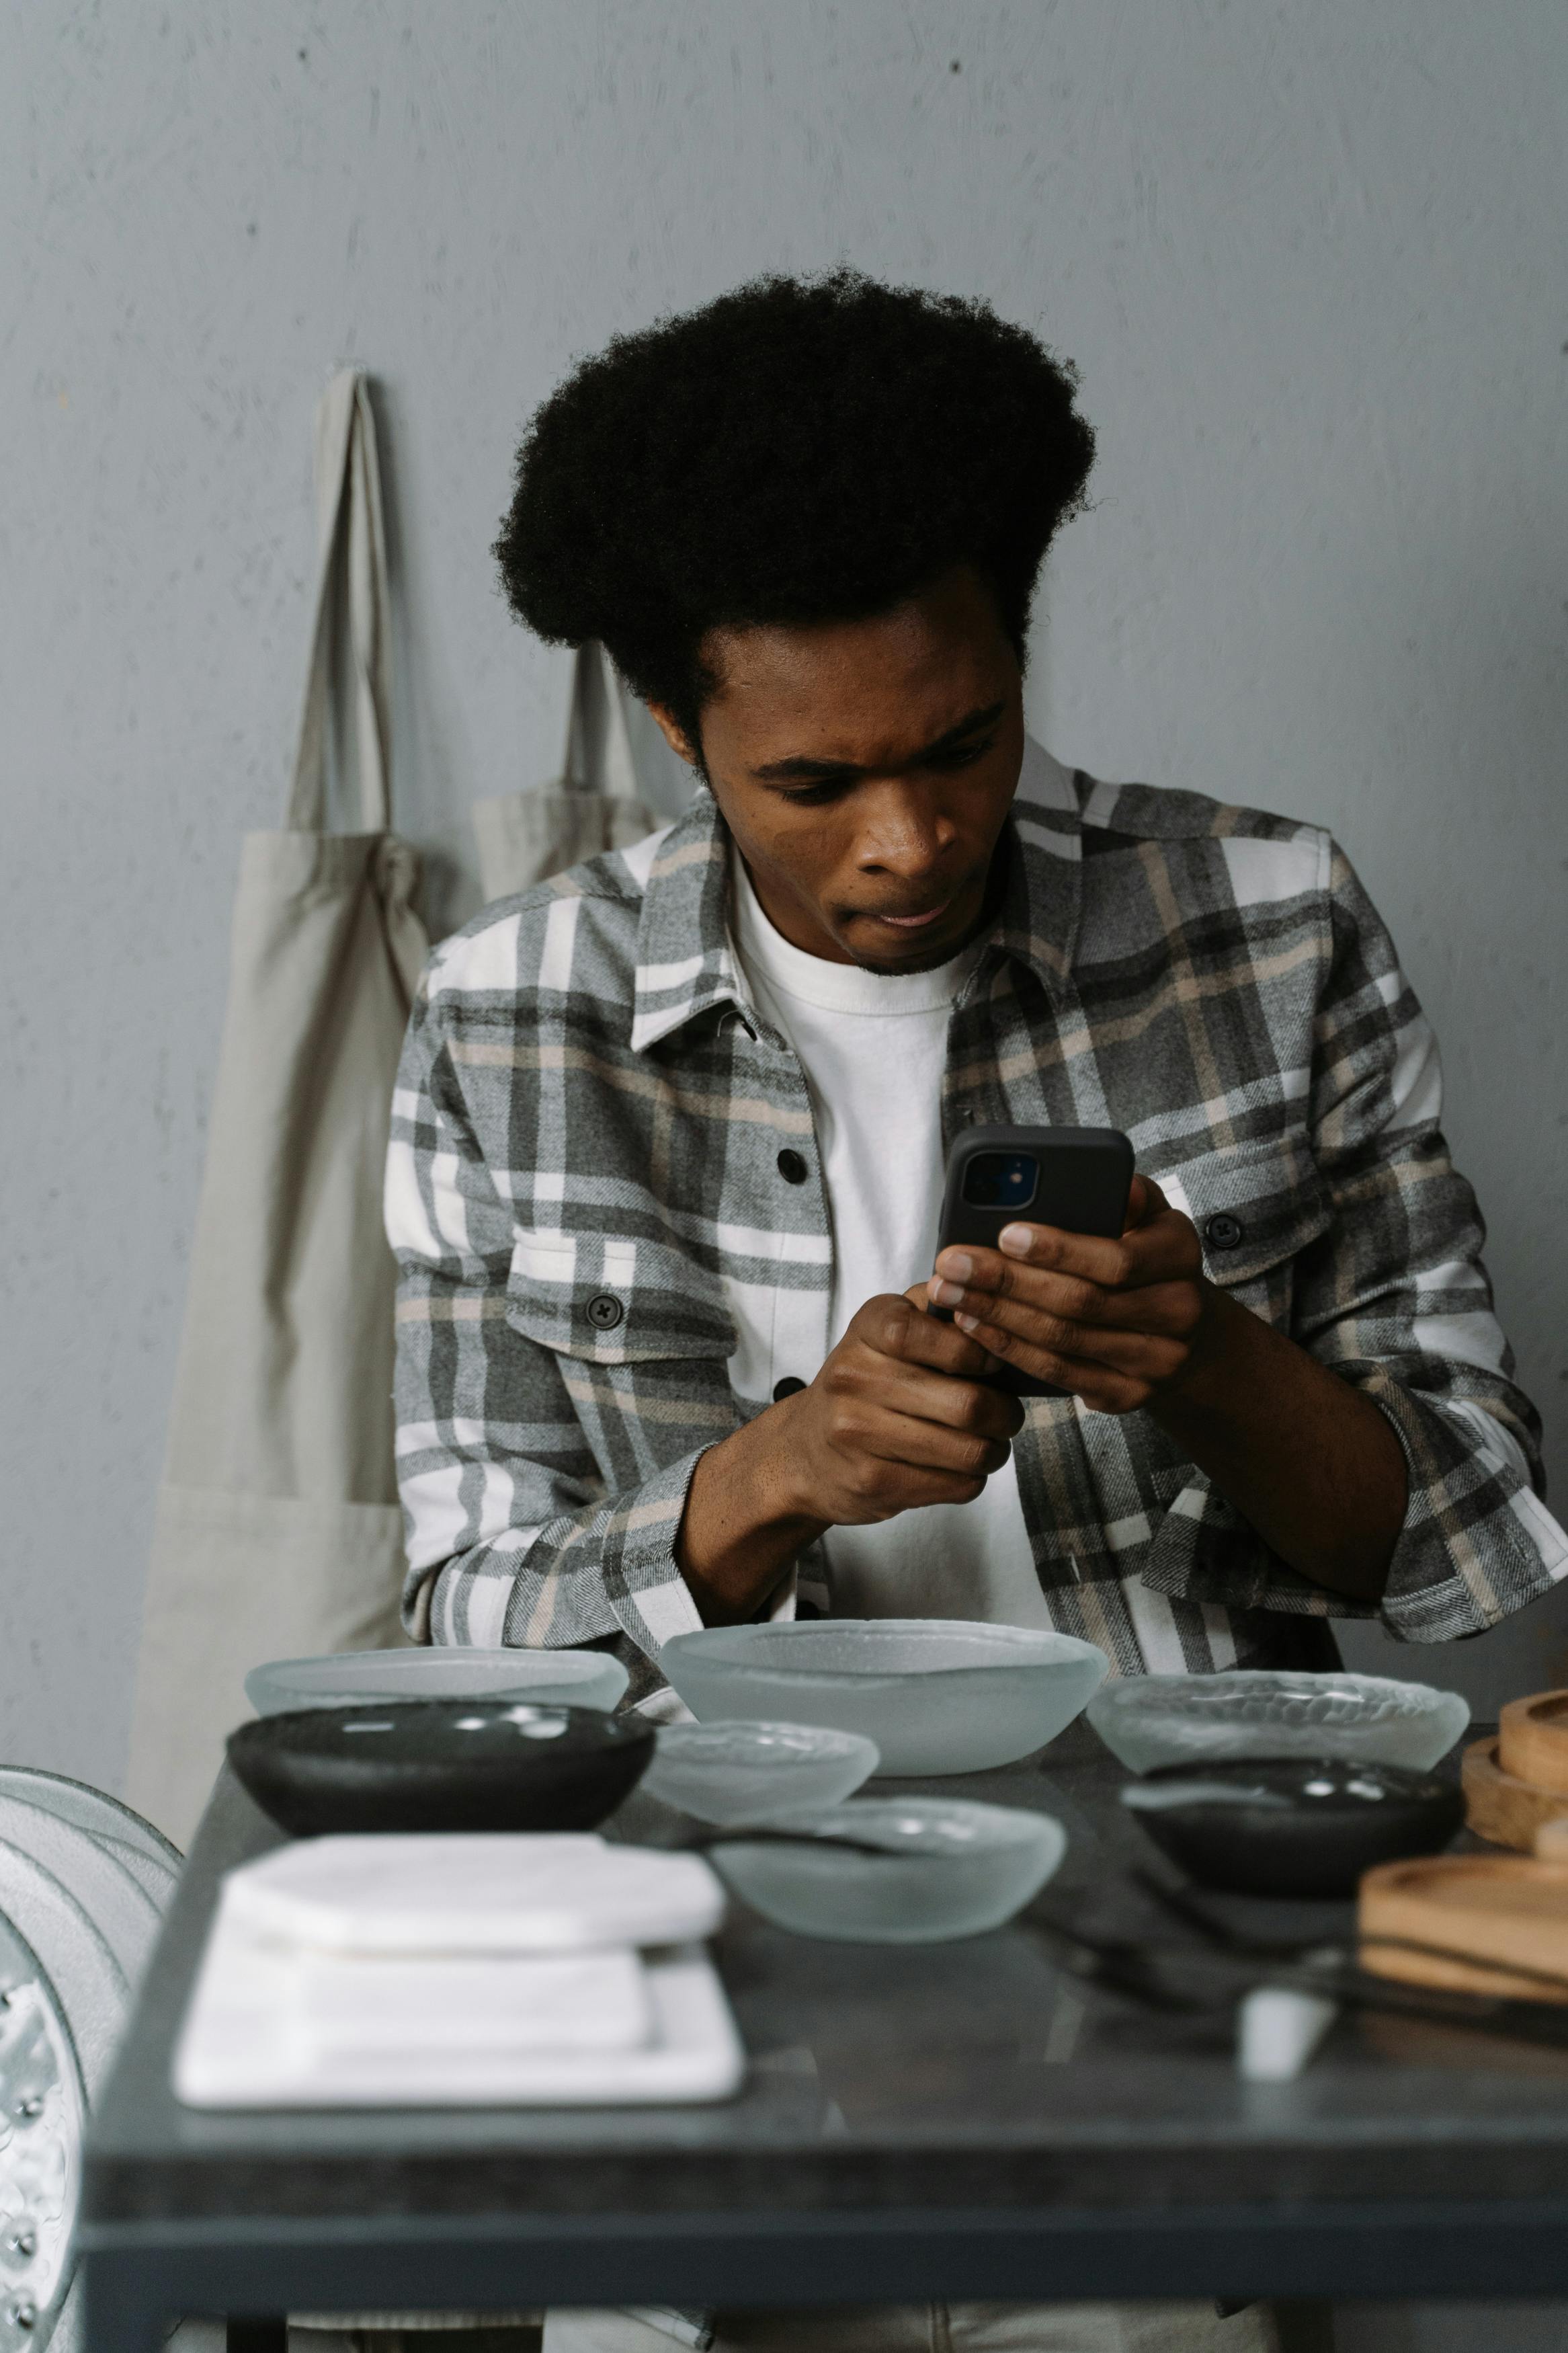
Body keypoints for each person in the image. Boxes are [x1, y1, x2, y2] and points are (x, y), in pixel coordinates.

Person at [385, 273, 1566, 2353]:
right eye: (813, 781)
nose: (911, 839)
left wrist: (1205, 1358)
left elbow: (1463, 1539)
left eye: (961, 744)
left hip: (1176, 2021)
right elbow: (464, 1625)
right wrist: (769, 1479)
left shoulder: (1269, 928)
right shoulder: (510, 1018)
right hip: (696, 2009)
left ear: (1021, 648)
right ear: (677, 725)